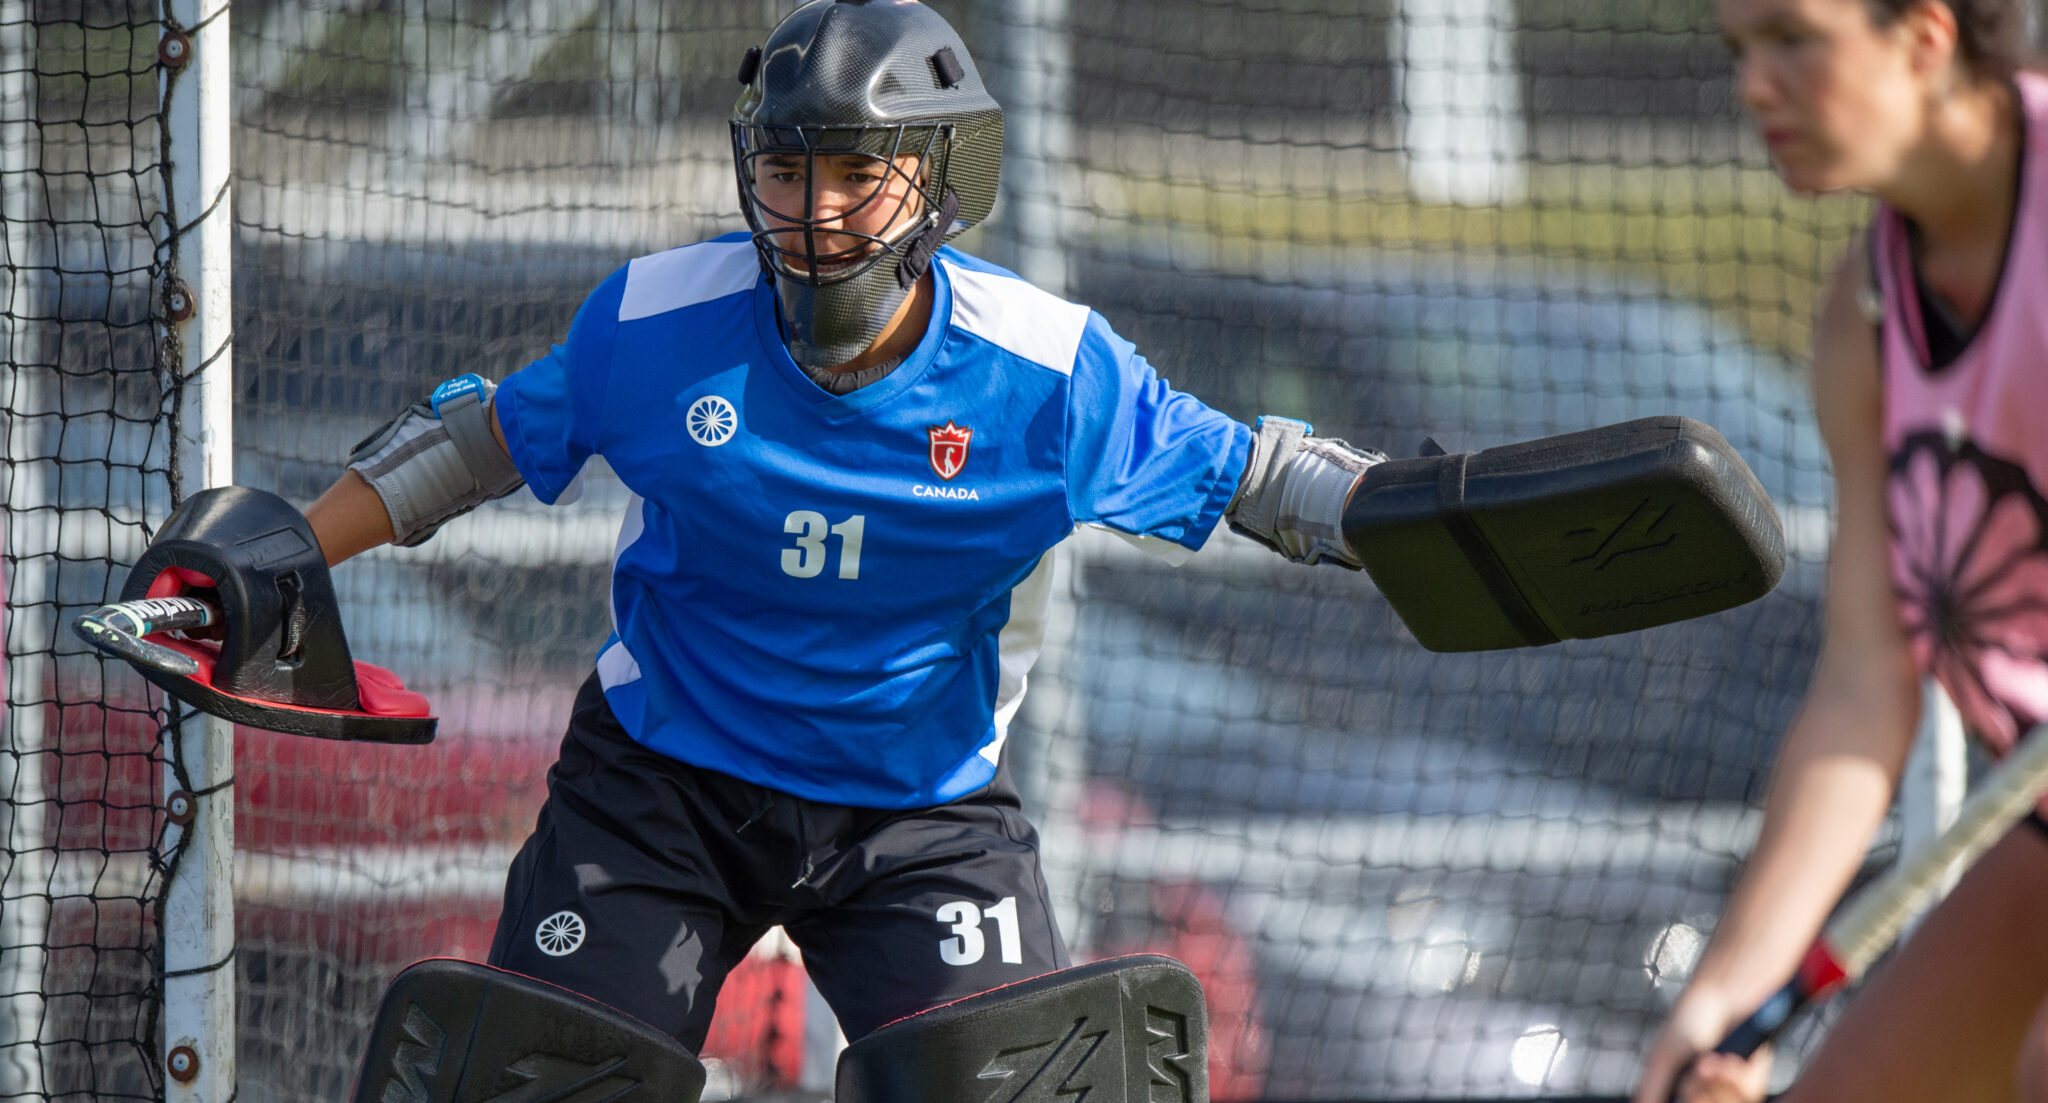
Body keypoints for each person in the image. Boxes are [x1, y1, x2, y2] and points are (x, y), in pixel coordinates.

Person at [301, 0, 1377, 1053]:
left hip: (919, 812)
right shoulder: (651, 318)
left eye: (858, 173)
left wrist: (1442, 519)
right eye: (784, 169)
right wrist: (286, 556)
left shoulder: (1049, 371)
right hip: (657, 784)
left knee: (1008, 1086)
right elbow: (477, 443)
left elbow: (1261, 479)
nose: (815, 209)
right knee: (545, 1076)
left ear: (941, 180)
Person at [1634, 1, 2048, 1101]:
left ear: (1921, 38)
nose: (1753, 88)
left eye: (1791, 38)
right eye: (1738, 51)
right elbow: (1868, 687)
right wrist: (1726, 995)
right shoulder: (1862, 319)